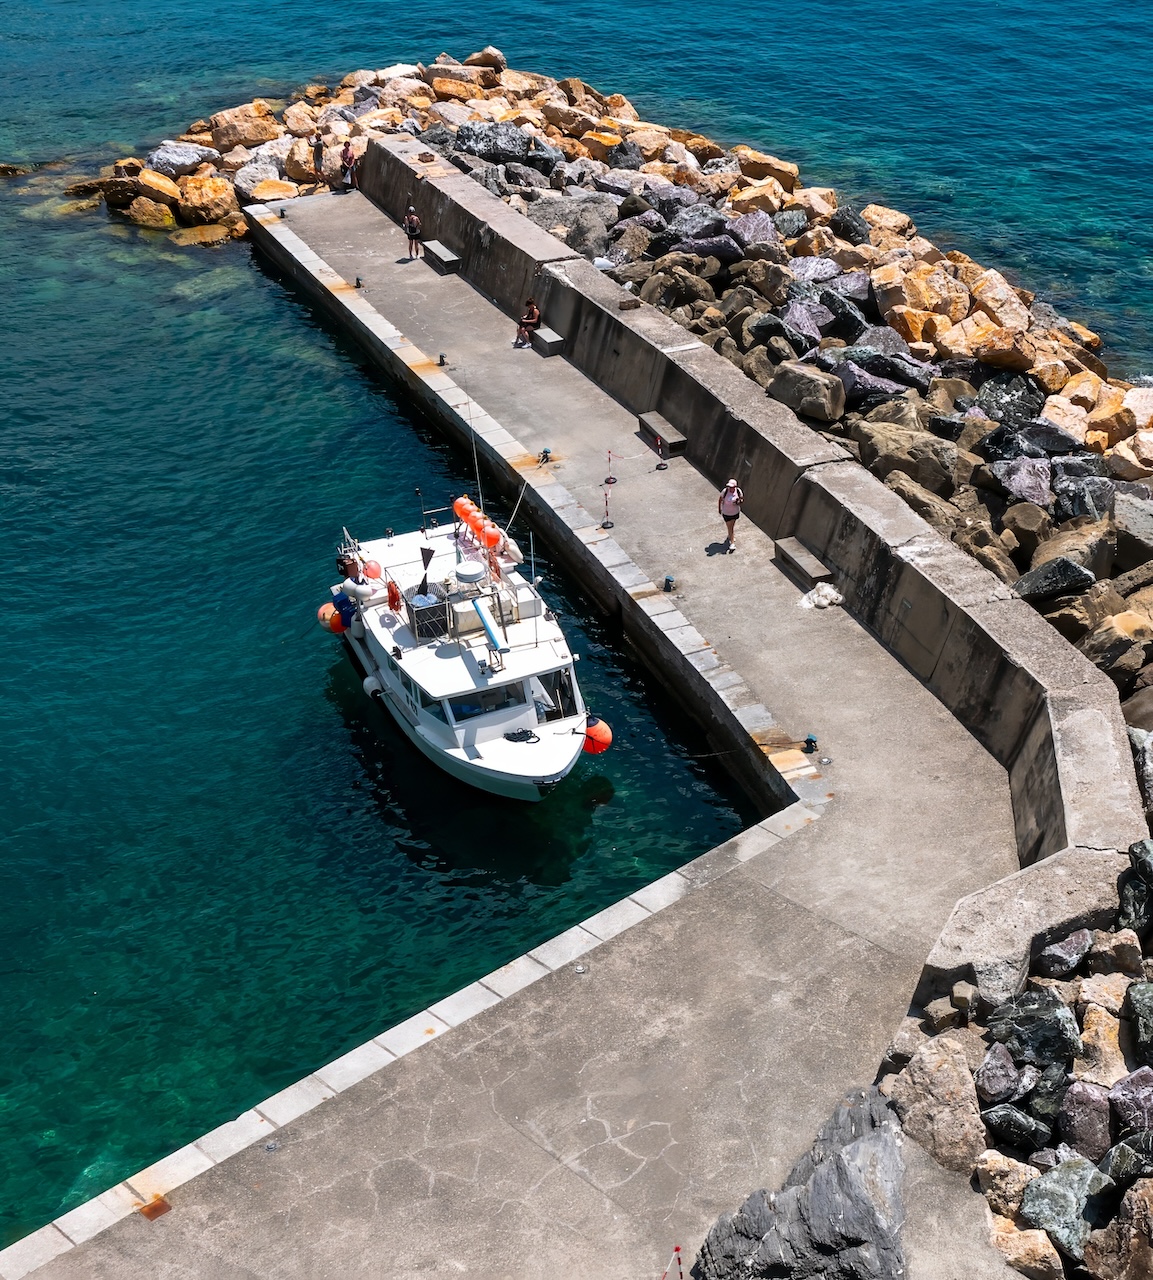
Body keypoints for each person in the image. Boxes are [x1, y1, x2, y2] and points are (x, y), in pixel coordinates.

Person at [718, 479, 744, 551]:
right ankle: (732, 543)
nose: (730, 488)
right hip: (726, 512)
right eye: (729, 486)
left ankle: (730, 536)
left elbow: (742, 499)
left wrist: (738, 501)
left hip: (735, 512)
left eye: (732, 487)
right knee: (730, 528)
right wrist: (719, 509)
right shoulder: (725, 491)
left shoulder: (738, 491)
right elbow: (720, 499)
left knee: (731, 527)